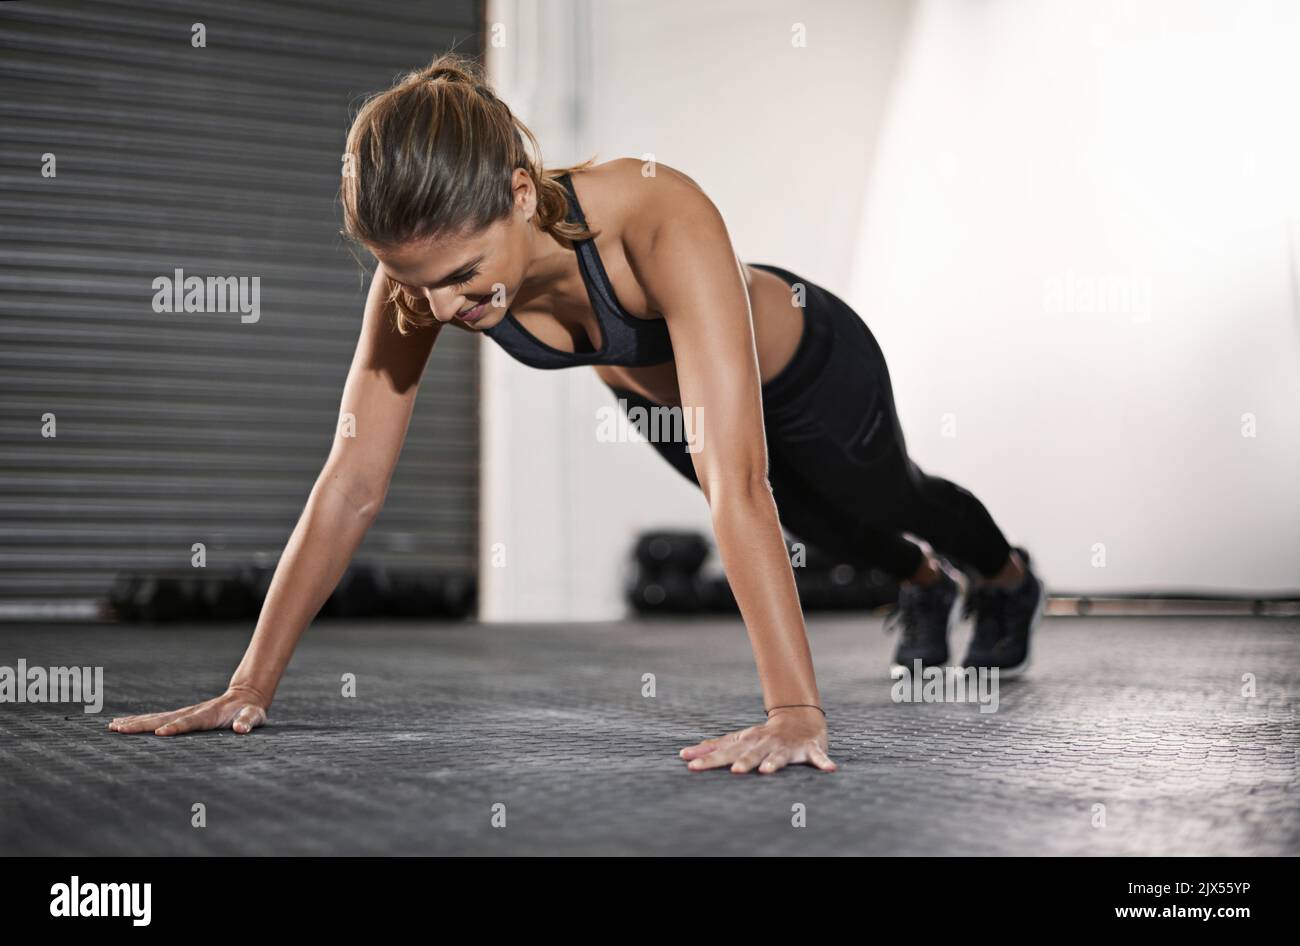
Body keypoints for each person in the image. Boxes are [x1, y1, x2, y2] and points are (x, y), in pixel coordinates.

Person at [109, 53, 1046, 775]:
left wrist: (795, 712)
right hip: (662, 404)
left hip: (811, 366)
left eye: (463, 278)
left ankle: (1003, 578)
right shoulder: (421, 281)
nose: (440, 309)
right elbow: (350, 481)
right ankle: (923, 589)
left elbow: (737, 480)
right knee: (822, 529)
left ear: (519, 196)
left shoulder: (653, 209)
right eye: (413, 283)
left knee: (886, 491)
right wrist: (249, 686)